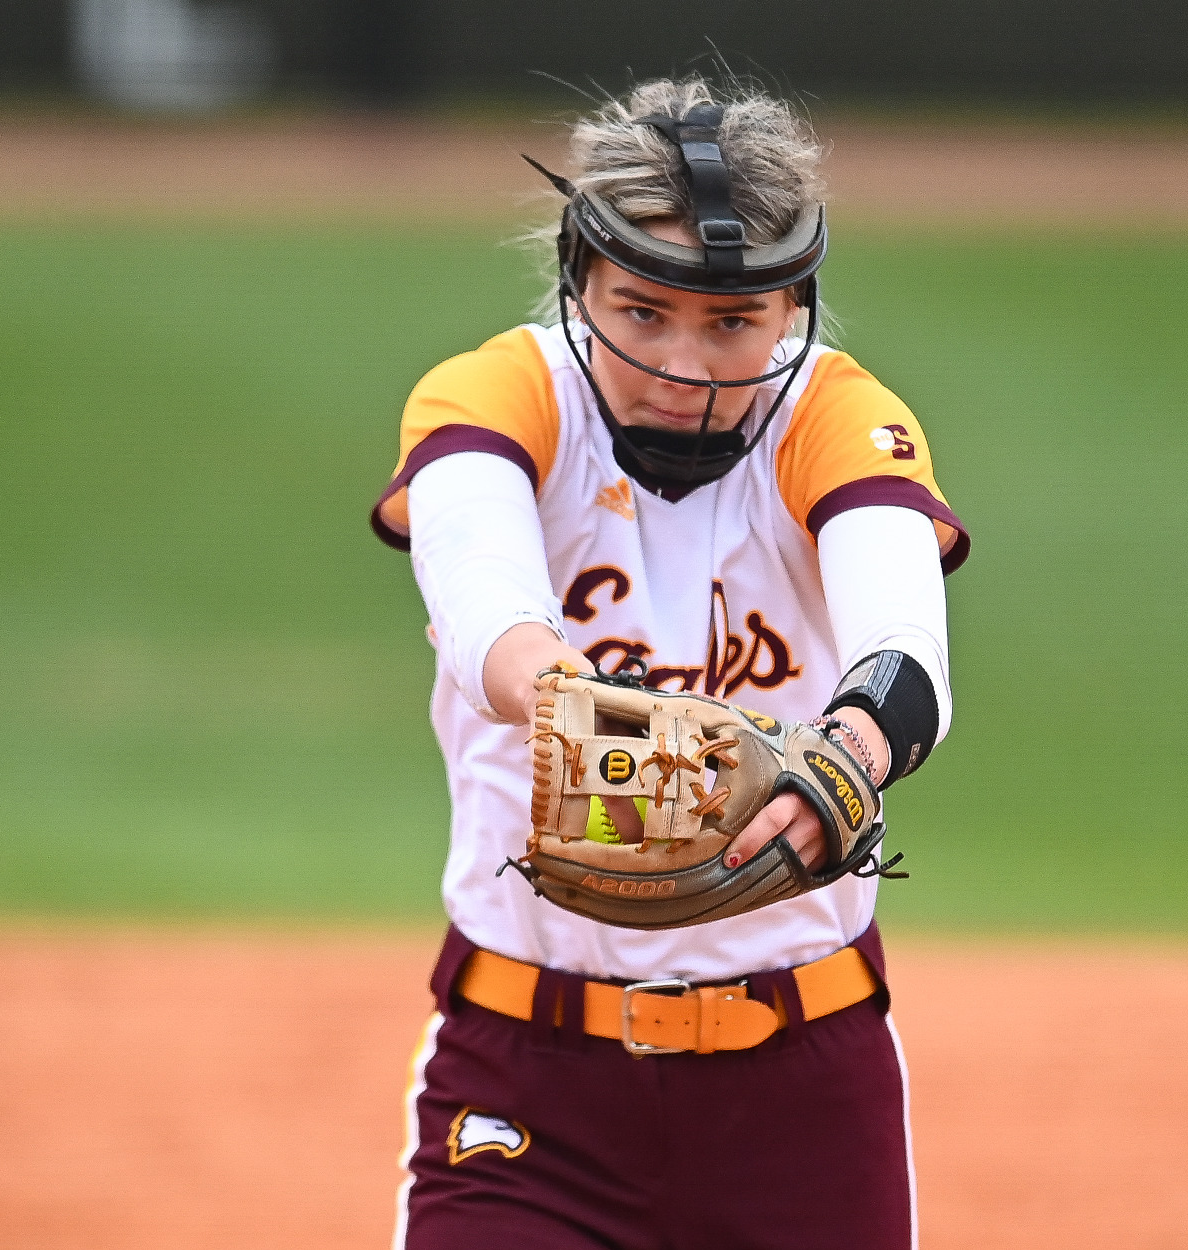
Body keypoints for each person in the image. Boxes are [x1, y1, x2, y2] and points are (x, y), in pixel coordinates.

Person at [369, 76, 968, 1249]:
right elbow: (487, 604)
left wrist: (845, 759)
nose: (684, 363)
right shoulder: (495, 395)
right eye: (642, 312)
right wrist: (568, 699)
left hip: (804, 1089)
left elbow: (907, 659)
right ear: (577, 286)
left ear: (792, 309)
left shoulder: (833, 417)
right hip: (527, 1082)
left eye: (732, 323)